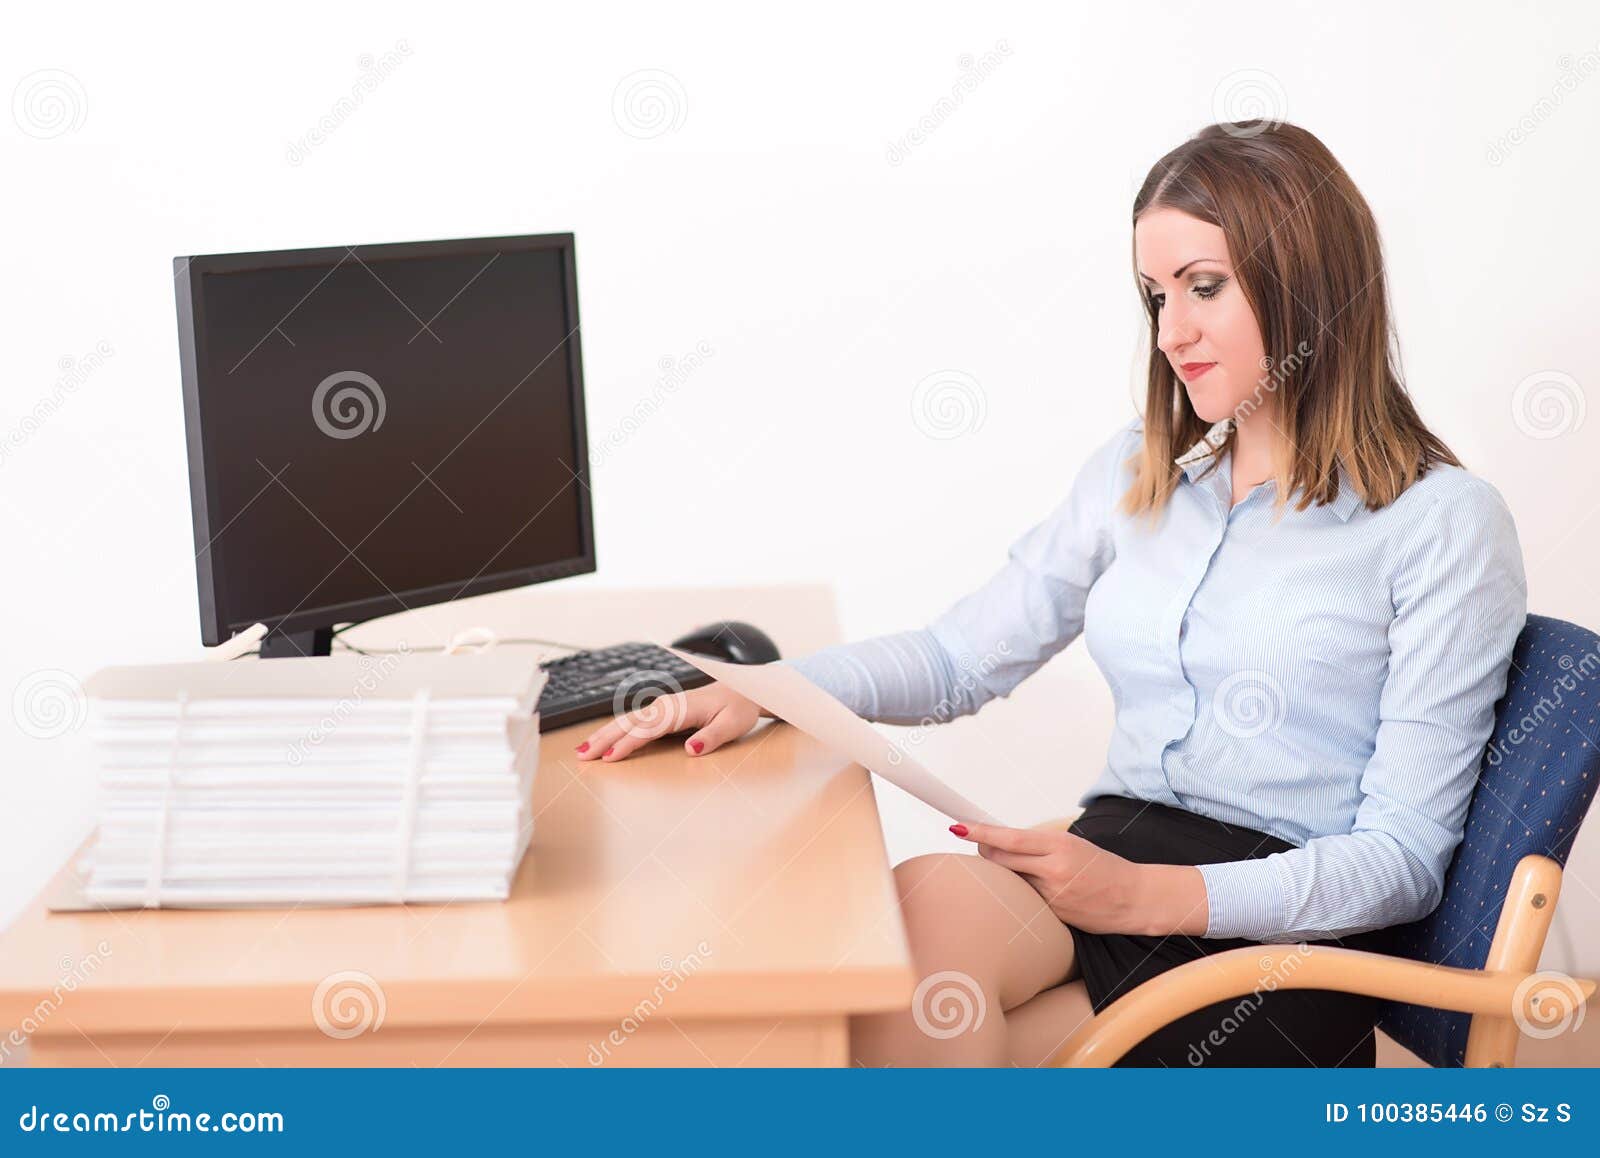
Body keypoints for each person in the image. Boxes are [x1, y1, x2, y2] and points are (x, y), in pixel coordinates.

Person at [573, 120, 1528, 1067]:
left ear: (1310, 286)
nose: (1171, 332)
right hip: (1111, 854)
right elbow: (960, 659)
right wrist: (770, 689)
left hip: (1280, 938)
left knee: (920, 1052)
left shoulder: (1442, 524)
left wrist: (1147, 896)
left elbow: (1401, 861)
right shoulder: (1141, 472)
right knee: (911, 929)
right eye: (1156, 295)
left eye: (1205, 288)